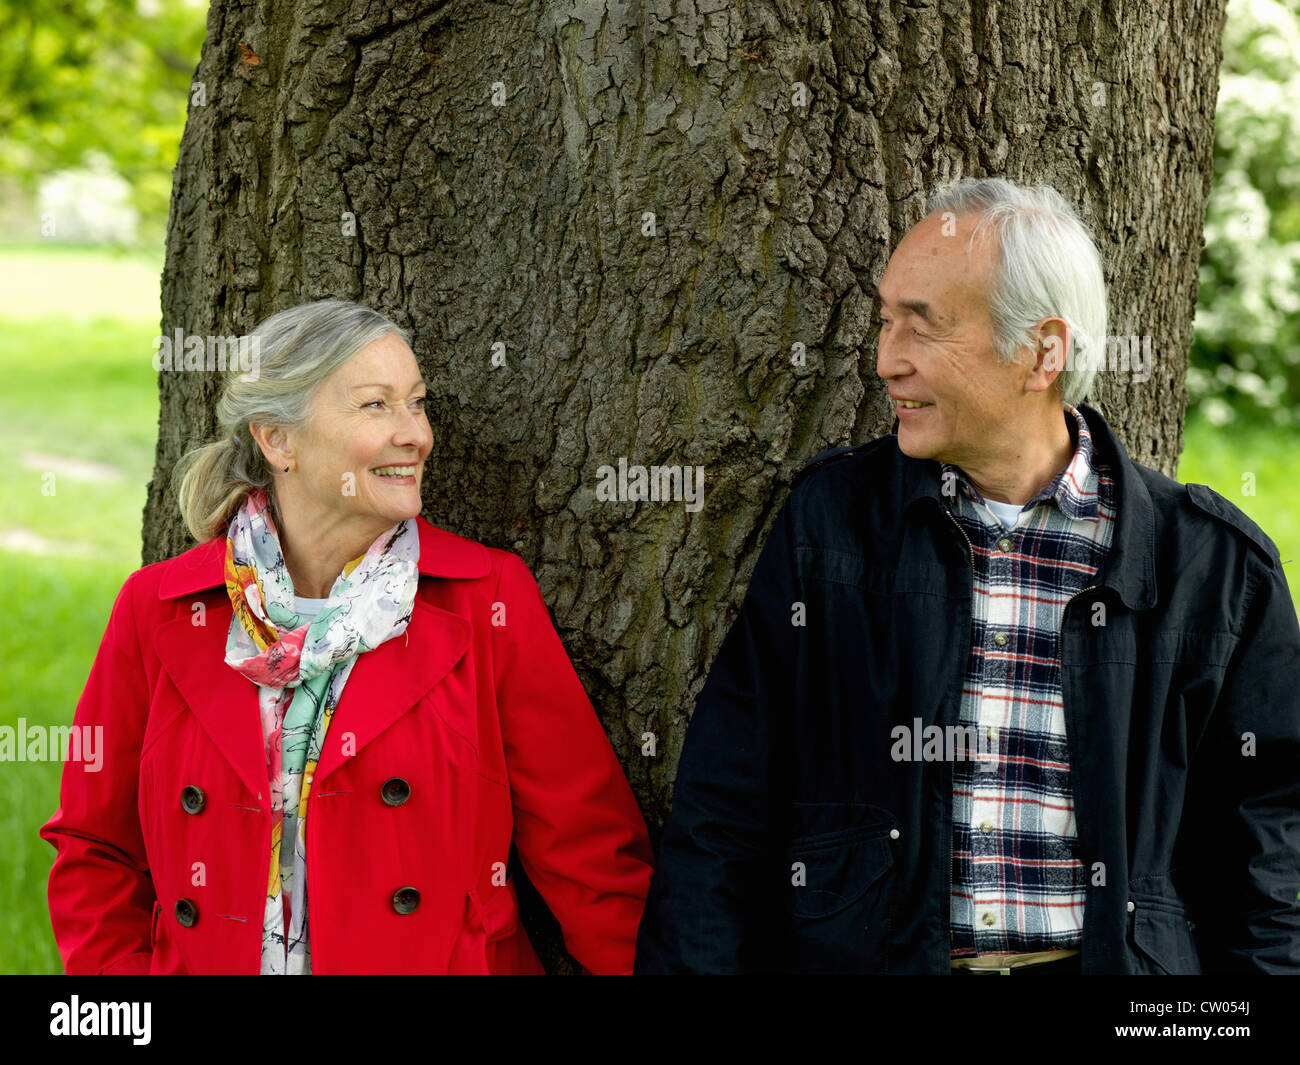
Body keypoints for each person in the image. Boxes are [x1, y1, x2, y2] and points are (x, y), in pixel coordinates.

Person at [634, 177, 1300, 974]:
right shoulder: (834, 525)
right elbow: (723, 816)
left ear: (1043, 351)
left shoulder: (1216, 569)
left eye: (923, 327)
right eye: (885, 322)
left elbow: (1270, 870)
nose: (885, 363)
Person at [41, 299, 653, 974]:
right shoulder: (159, 611)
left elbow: (588, 853)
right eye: (376, 406)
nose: (415, 434)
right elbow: (94, 850)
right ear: (278, 438)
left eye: (417, 403)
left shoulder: (486, 601)